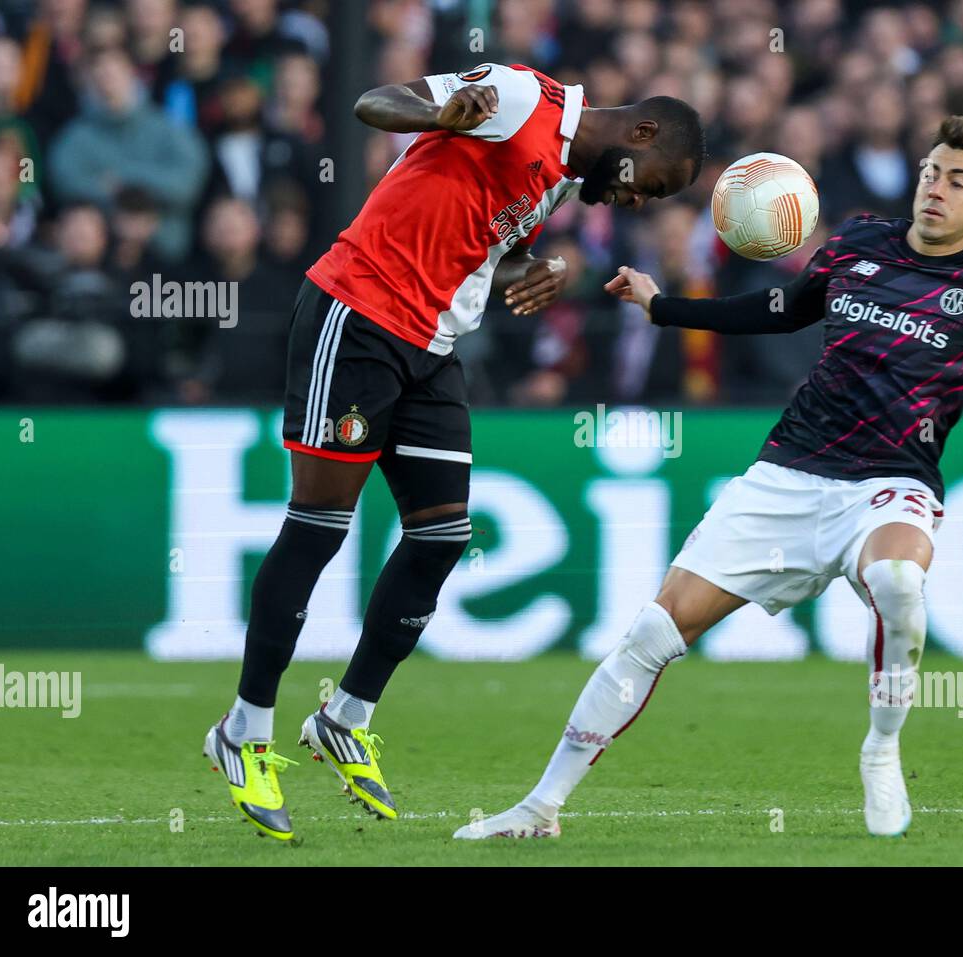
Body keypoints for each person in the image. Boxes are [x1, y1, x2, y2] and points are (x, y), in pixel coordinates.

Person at [457, 116, 963, 841]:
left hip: (890, 482)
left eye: (959, 180)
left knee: (899, 583)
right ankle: (541, 806)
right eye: (933, 170)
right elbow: (778, 312)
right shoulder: (860, 240)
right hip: (788, 472)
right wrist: (662, 305)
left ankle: (882, 745)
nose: (938, 186)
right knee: (651, 632)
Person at [201, 61, 705, 841]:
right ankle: (243, 728)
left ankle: (346, 714)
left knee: (443, 536)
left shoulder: (565, 173)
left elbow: (475, 235)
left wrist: (529, 266)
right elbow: (375, 100)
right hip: (359, 312)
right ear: (640, 133)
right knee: (318, 527)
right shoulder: (517, 96)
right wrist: (437, 112)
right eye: (651, 183)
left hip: (433, 343)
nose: (638, 199)